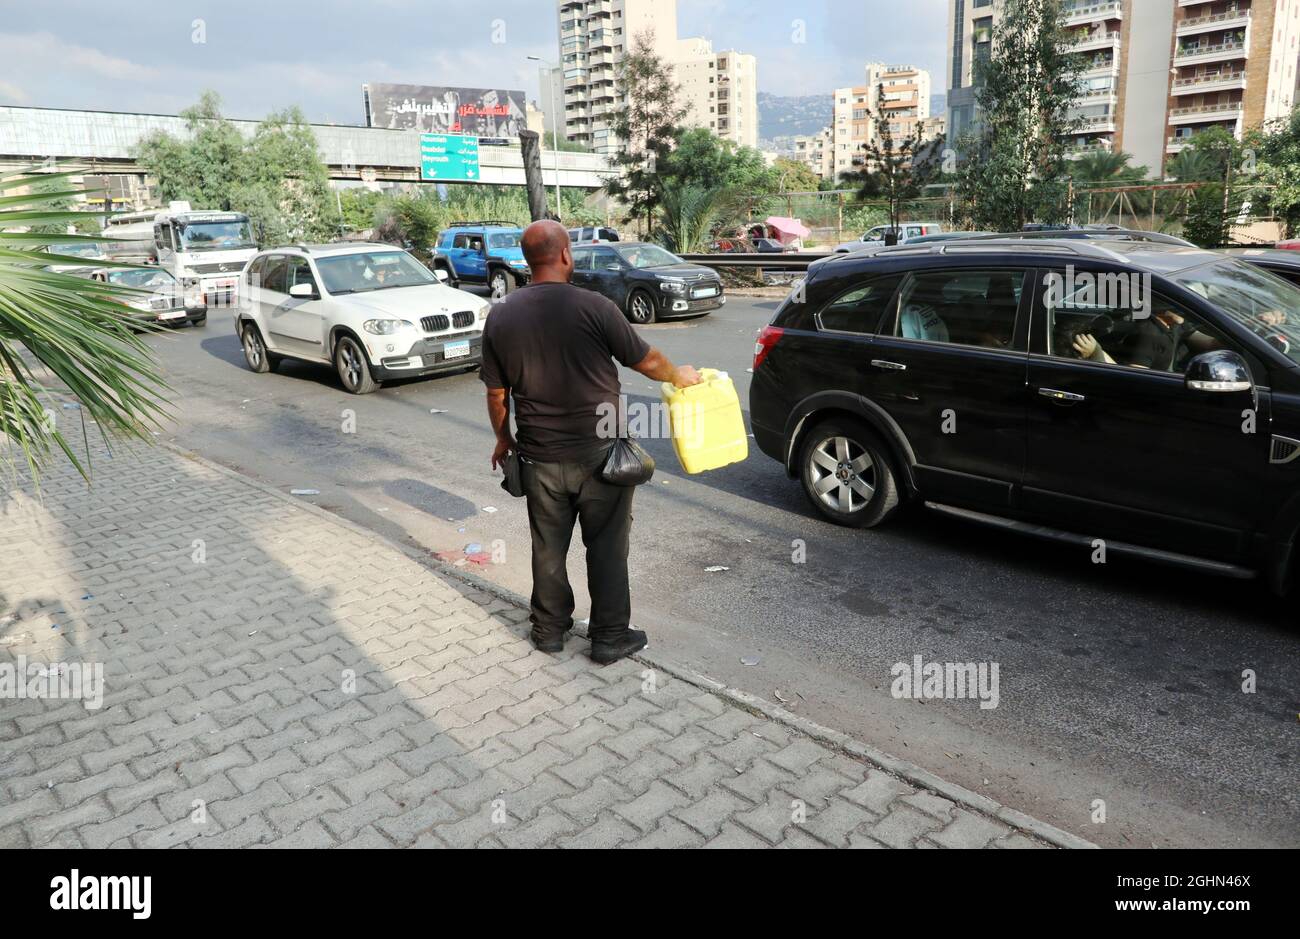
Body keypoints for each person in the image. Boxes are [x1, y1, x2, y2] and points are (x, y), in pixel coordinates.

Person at [480, 220, 701, 665]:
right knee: (606, 548)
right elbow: (646, 359)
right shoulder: (595, 306)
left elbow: (496, 393)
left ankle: (548, 631)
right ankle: (609, 637)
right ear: (565, 255)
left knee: (548, 547)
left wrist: (504, 439)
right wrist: (679, 375)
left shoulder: (502, 314)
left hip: (539, 456)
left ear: (527, 259)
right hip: (601, 453)